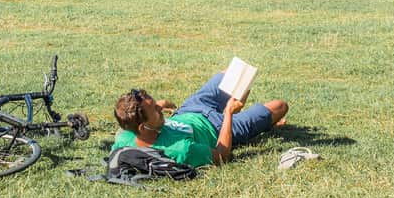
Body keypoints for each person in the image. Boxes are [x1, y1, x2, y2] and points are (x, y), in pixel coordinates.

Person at [111, 73, 288, 168]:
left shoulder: (124, 139)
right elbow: (222, 155)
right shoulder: (182, 150)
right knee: (280, 106)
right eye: (156, 110)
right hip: (218, 126)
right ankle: (264, 120)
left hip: (191, 107)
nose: (160, 107)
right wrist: (228, 113)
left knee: (233, 74)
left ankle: (258, 116)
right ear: (143, 127)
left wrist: (160, 107)